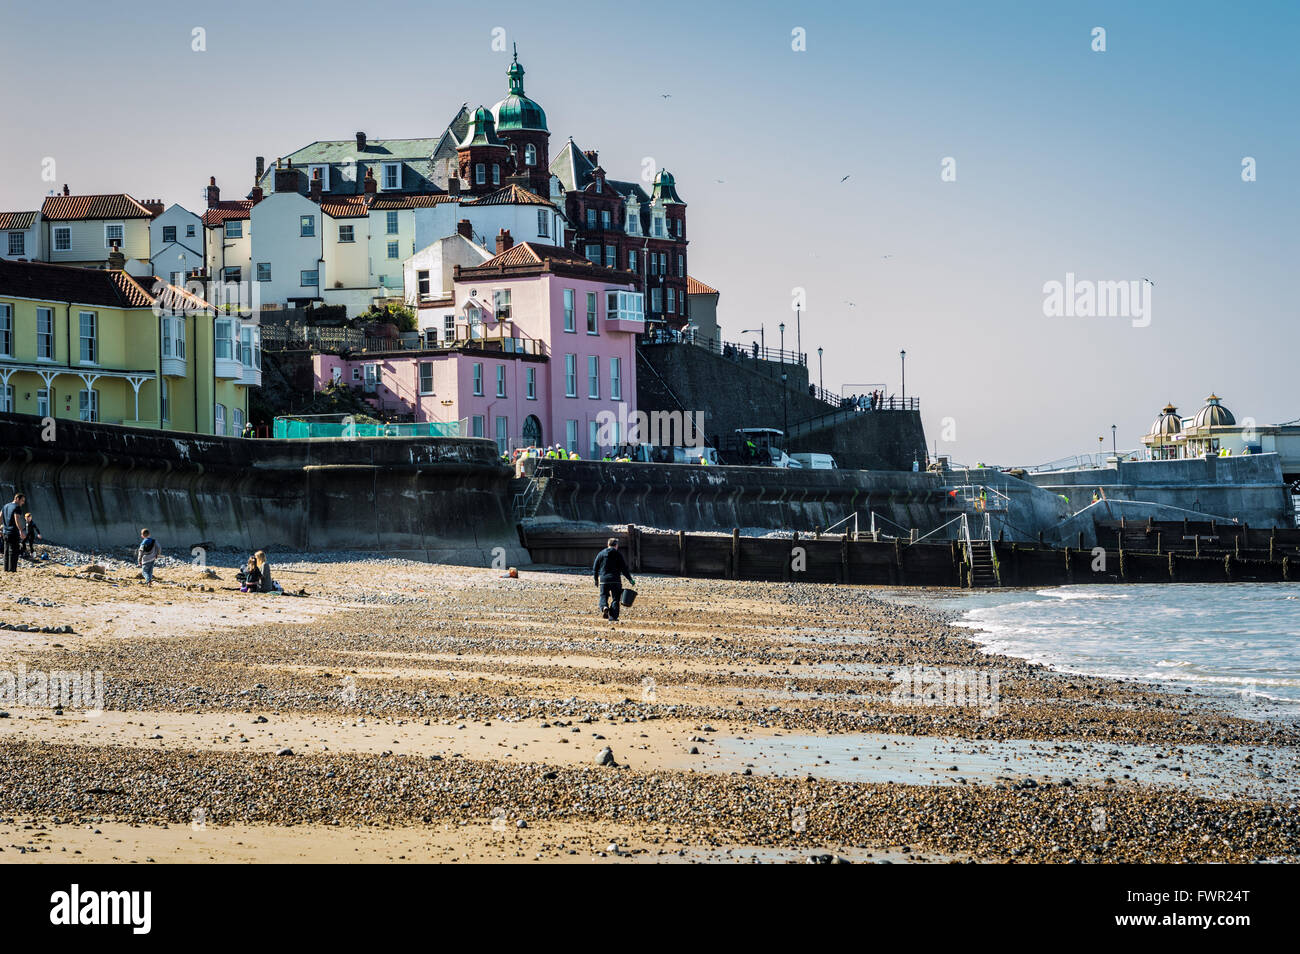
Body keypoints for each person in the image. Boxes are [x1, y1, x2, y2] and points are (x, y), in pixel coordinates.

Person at [593, 537, 634, 622]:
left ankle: (604, 606)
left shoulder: (601, 554)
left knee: (603, 595)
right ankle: (613, 617)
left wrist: (596, 579)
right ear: (616, 545)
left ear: (608, 544)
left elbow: (595, 567)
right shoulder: (618, 554)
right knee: (616, 598)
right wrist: (630, 579)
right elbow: (624, 569)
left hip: (604, 580)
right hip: (615, 580)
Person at [2, 492, 27, 573]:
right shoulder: (17, 507)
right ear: (17, 499)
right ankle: (12, 570)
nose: (23, 503)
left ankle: (6, 569)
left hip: (5, 532)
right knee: (13, 552)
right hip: (13, 533)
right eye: (22, 501)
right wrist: (21, 530)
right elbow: (17, 519)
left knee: (6, 551)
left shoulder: (5, 506)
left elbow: (0, 517)